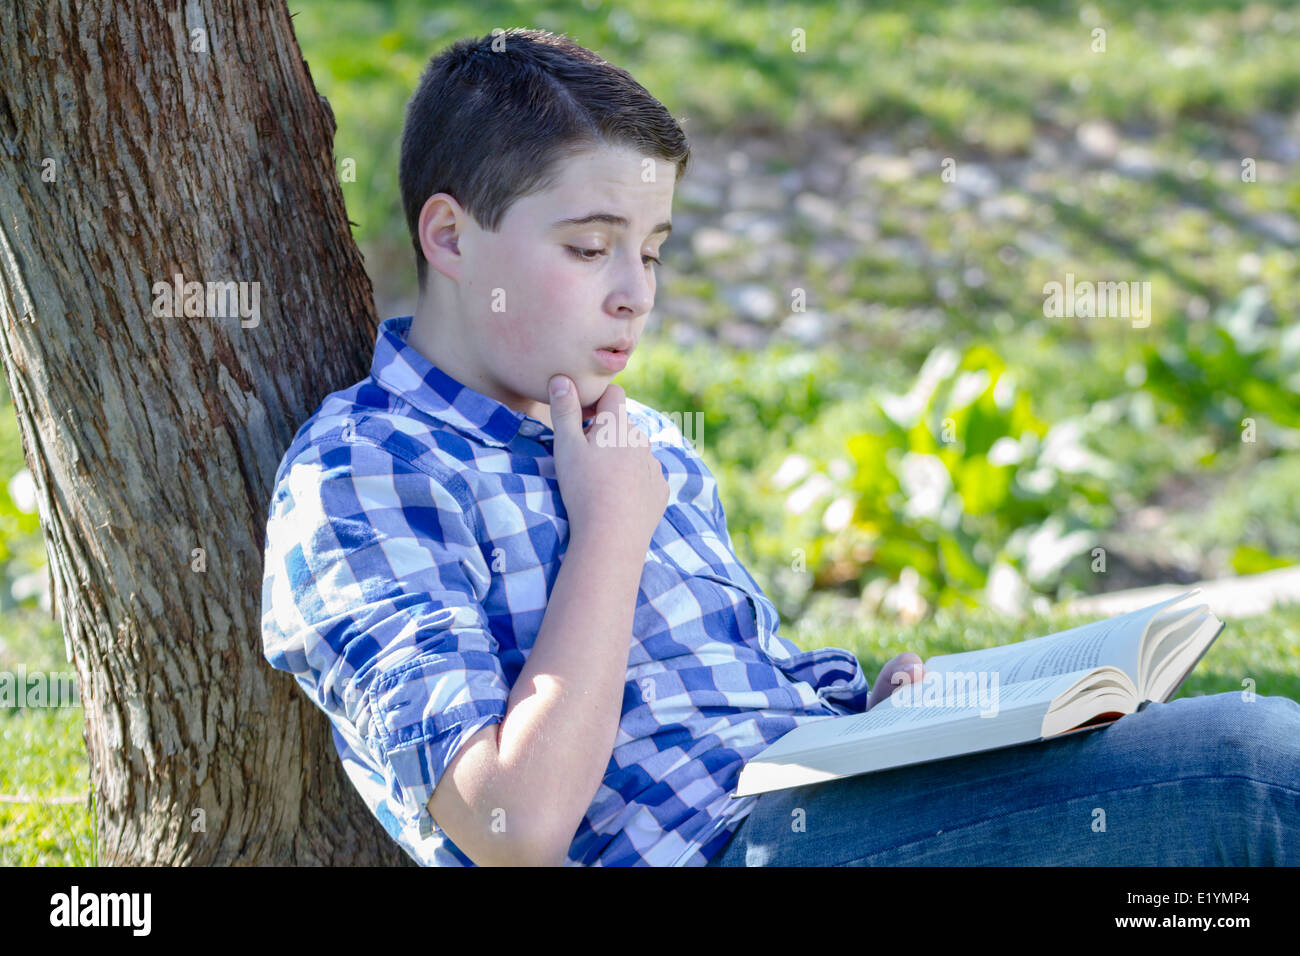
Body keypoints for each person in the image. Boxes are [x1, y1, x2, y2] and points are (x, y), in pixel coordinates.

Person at [260, 28, 1300, 867]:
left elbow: (728, 678)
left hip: (824, 801)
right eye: (588, 247)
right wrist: (612, 530)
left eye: (652, 251)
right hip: (721, 847)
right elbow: (509, 828)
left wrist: (878, 713)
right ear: (449, 238)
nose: (635, 292)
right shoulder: (363, 475)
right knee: (1246, 772)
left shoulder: (631, 432)